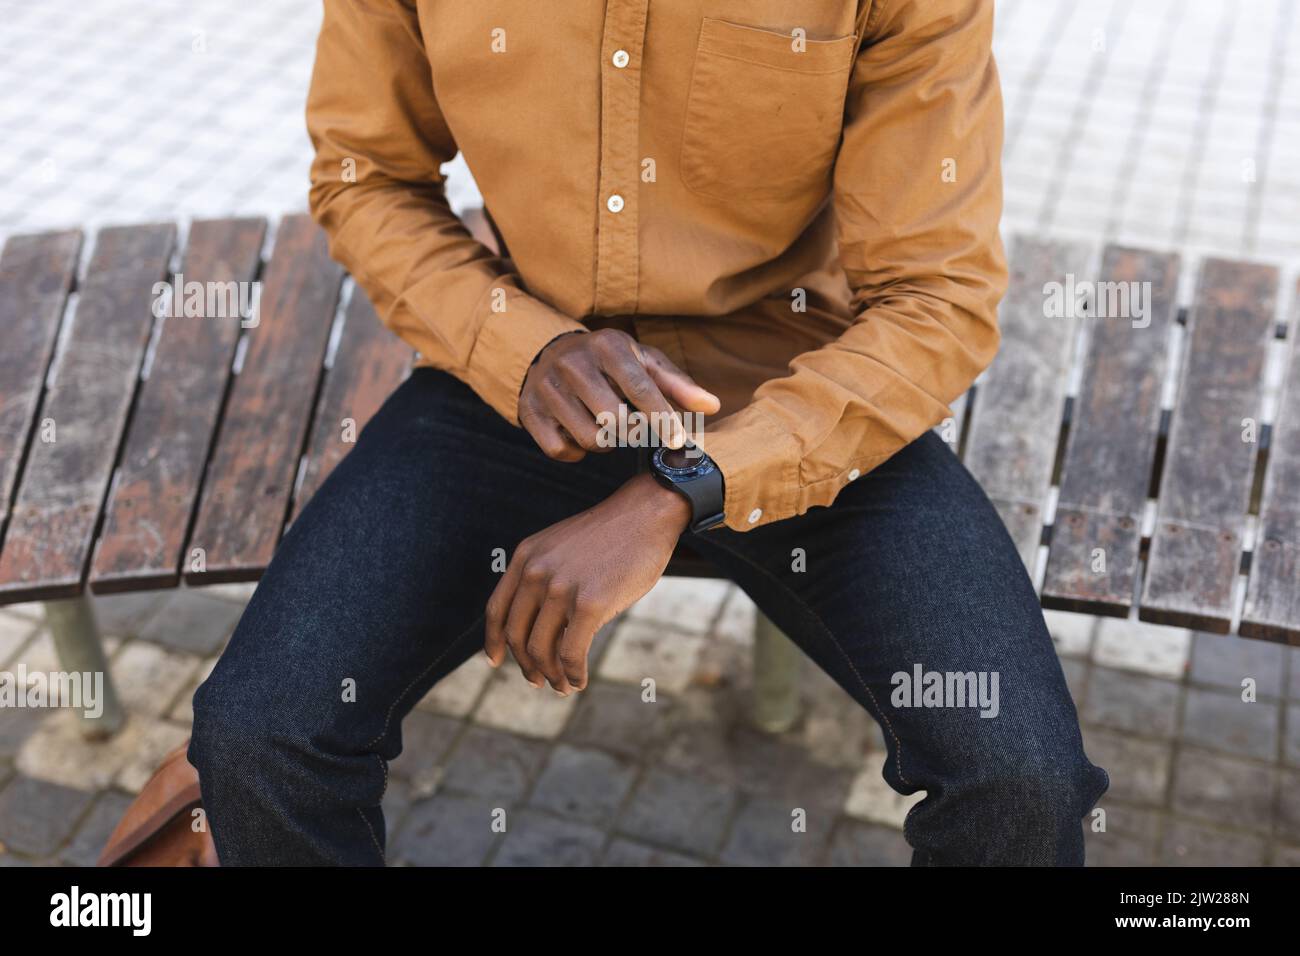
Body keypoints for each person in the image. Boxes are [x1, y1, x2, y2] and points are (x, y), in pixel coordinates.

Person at [189, 0, 1108, 866]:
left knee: (1021, 784)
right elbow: (365, 173)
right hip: (523, 381)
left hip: (801, 401)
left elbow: (936, 295)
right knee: (258, 736)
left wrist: (683, 486)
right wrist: (523, 345)